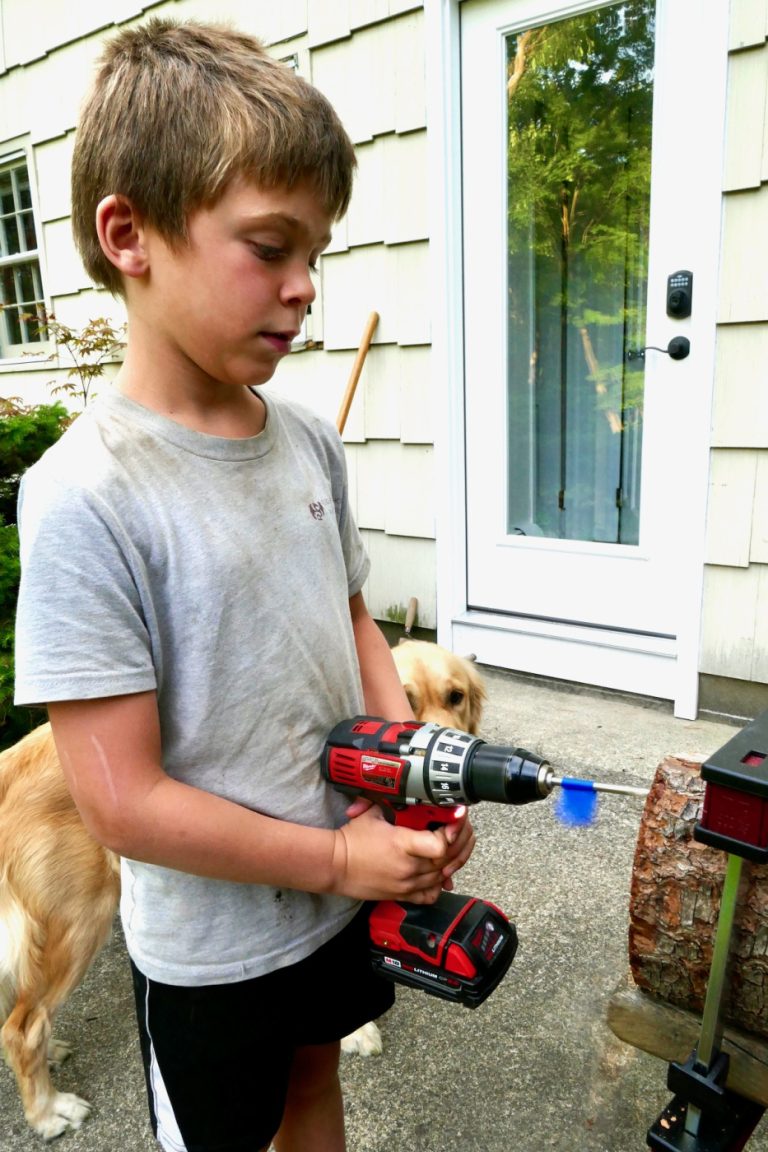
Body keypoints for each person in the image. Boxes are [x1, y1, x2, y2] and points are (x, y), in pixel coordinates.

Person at [13, 18, 475, 1152]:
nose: (305, 286)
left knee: (317, 1088)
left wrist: (403, 776)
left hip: (336, 893)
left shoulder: (309, 440)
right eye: (270, 248)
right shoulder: (88, 493)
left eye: (316, 253)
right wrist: (335, 854)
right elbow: (121, 802)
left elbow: (351, 611)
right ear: (130, 233)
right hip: (214, 947)